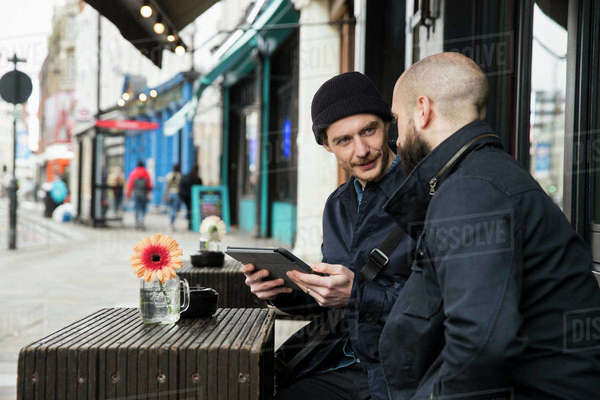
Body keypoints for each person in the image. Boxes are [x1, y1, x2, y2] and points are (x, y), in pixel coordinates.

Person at [380, 52, 600, 399]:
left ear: (422, 110)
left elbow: (478, 345)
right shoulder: (481, 176)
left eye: (397, 119)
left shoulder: (471, 191)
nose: (397, 139)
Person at [242, 72, 415, 400]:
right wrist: (282, 292)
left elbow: (442, 300)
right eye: (344, 140)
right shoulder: (337, 205)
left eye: (369, 131)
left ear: (387, 124)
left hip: (403, 372)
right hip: (344, 361)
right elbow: (331, 302)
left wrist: (358, 294)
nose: (362, 150)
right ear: (326, 145)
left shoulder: (425, 193)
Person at [126, 160, 152, 230]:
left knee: (137, 208)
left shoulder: (133, 173)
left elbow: (130, 185)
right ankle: (142, 220)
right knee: (143, 208)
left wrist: (128, 196)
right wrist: (149, 194)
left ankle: (137, 221)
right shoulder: (146, 173)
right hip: (144, 193)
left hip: (136, 193)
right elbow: (149, 185)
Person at [178, 164, 203, 230]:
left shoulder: (186, 177)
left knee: (189, 210)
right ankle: (191, 223)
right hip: (192, 197)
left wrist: (182, 195)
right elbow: (200, 188)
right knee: (192, 210)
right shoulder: (197, 178)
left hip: (186, 197)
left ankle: (190, 223)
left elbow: (181, 187)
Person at [164, 163, 182, 230]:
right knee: (175, 209)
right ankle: (172, 223)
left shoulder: (169, 175)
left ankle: (170, 223)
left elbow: (166, 187)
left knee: (171, 209)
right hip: (177, 194)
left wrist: (165, 195)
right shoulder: (180, 176)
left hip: (170, 193)